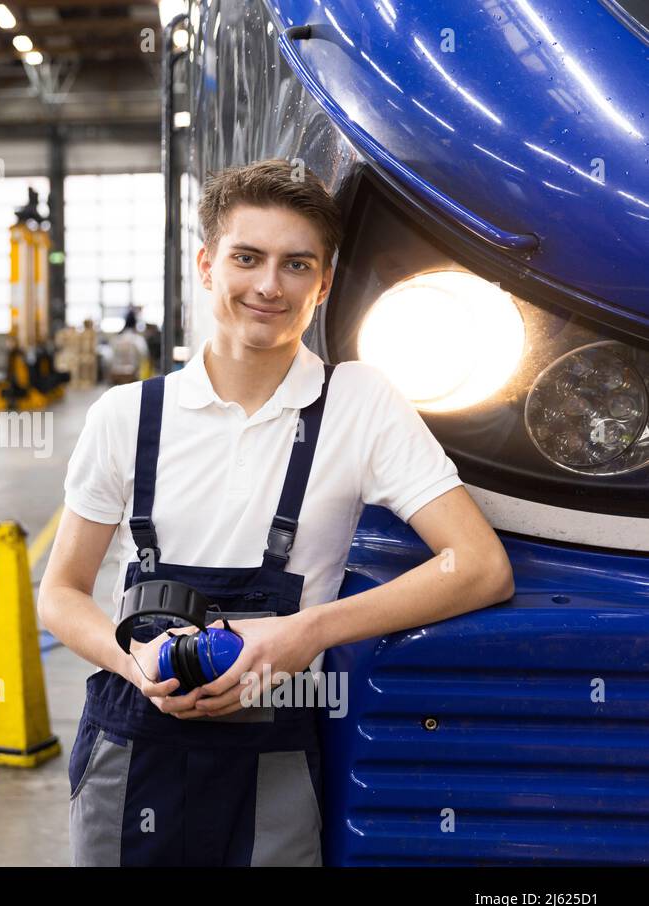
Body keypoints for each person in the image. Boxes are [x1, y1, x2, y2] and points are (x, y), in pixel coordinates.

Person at [37, 158, 514, 866]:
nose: (268, 285)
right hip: (130, 746)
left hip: (273, 760)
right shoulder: (128, 416)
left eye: (296, 264)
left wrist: (304, 633)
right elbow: (60, 593)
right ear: (206, 265)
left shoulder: (359, 403)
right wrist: (133, 661)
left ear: (323, 283)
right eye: (247, 258)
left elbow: (479, 567)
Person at [108, 310, 150, 384]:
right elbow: (144, 355)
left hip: (116, 373)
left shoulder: (116, 339)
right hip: (133, 375)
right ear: (135, 324)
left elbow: (109, 358)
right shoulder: (138, 339)